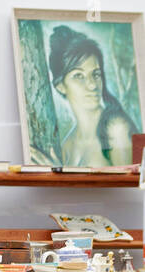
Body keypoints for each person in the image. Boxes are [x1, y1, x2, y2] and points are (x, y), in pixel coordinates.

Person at [35, 25, 139, 166]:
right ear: (60, 86)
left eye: (95, 74)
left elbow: (134, 186)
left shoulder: (117, 129)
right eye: (79, 76)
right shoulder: (66, 145)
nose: (92, 85)